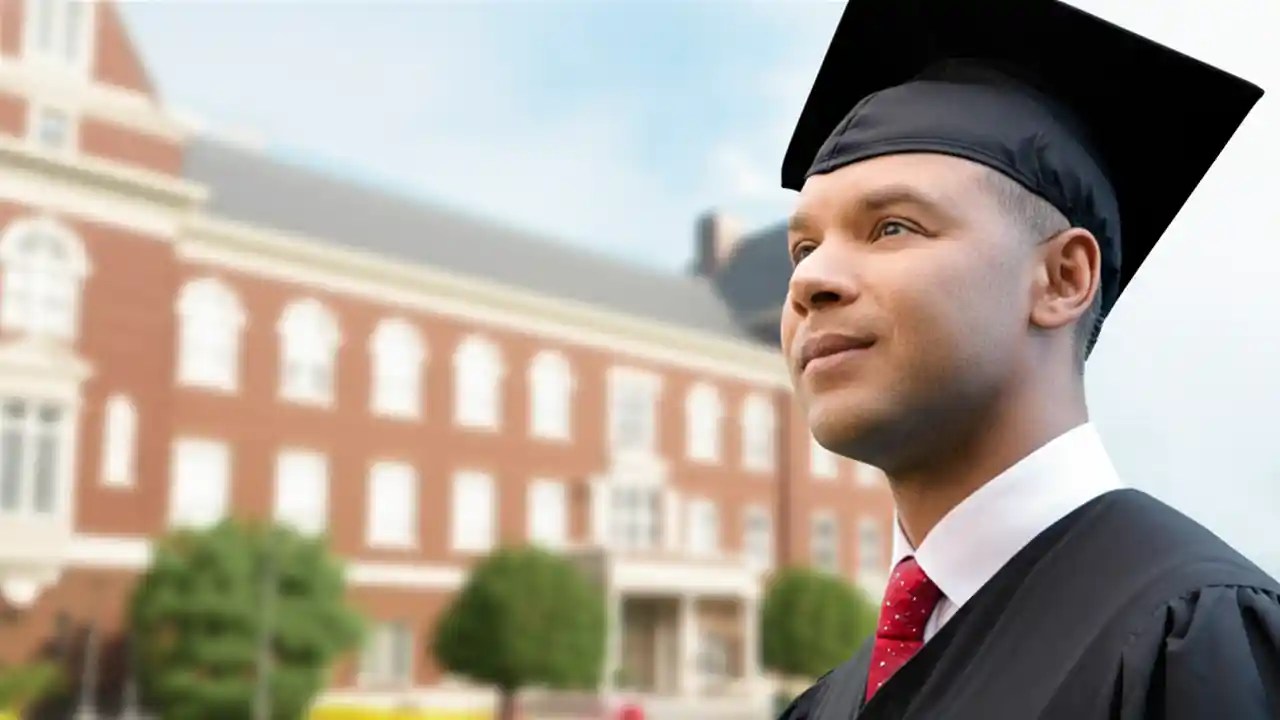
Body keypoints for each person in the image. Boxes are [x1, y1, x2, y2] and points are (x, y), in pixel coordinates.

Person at [772, 0, 1279, 718]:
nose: (808, 281)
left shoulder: (1189, 639)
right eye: (803, 248)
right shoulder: (826, 703)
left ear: (1063, 278)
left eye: (891, 227)